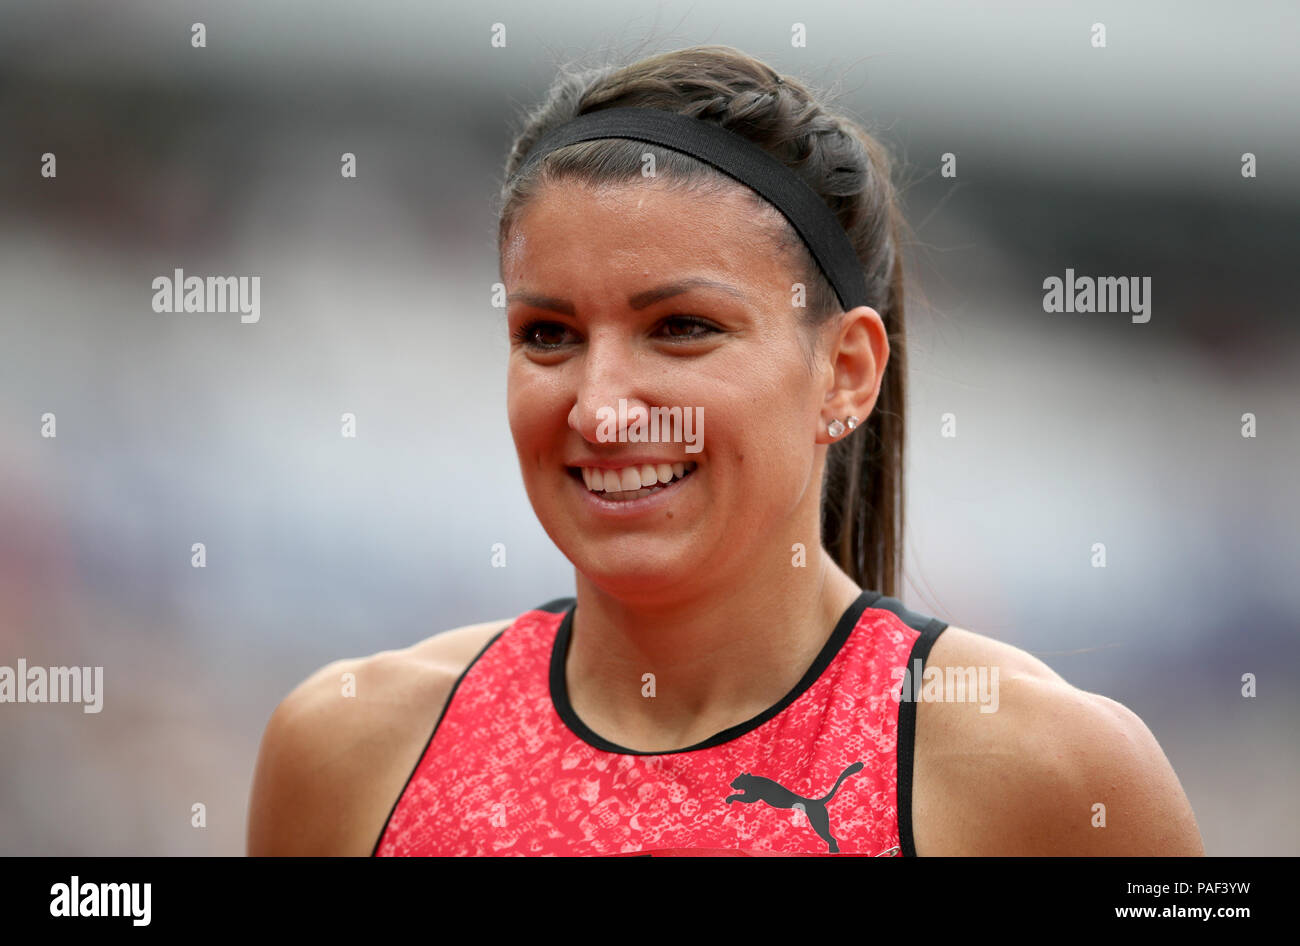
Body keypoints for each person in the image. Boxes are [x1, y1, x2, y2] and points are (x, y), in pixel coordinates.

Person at [247, 45, 1204, 856]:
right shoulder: (350, 747)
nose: (604, 409)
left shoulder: (1050, 776)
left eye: (683, 327)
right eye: (549, 334)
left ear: (846, 372)